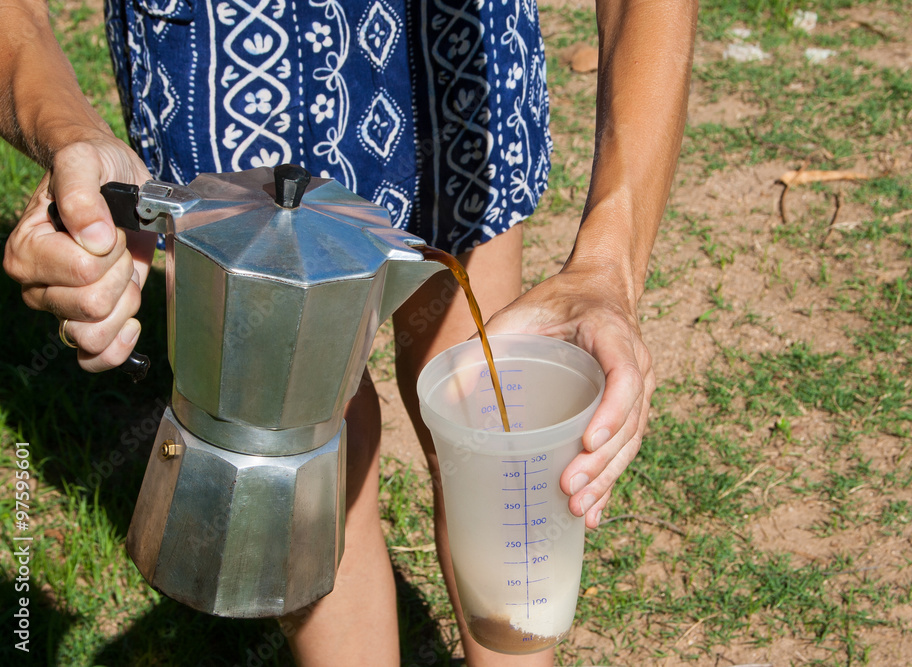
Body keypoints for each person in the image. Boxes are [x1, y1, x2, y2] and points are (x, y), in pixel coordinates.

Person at [1, 0, 697, 664]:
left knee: (483, 413)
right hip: (233, 41)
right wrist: (68, 132)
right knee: (302, 442)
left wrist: (612, 261)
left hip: (448, 35)